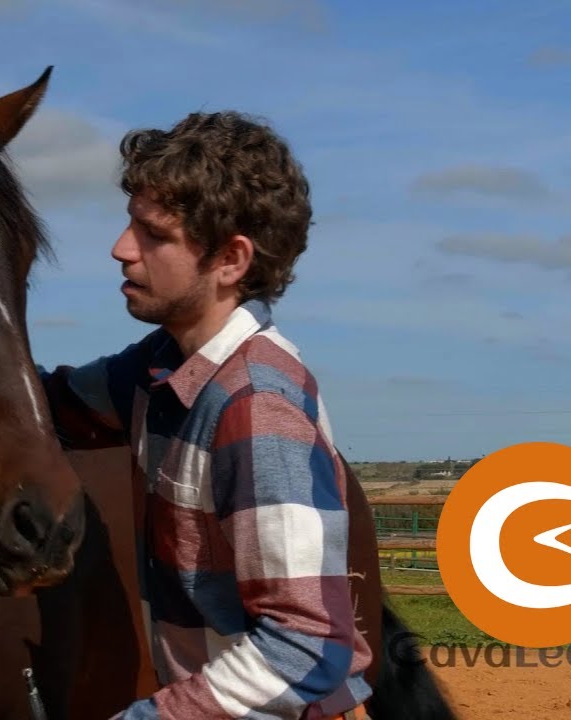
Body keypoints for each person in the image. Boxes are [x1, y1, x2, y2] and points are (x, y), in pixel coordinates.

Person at [36, 111, 372, 720]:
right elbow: (45, 404)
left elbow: (307, 645)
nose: (120, 249)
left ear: (231, 260)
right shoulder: (158, 368)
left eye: (154, 235)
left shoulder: (257, 405)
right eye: (129, 224)